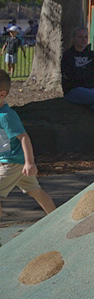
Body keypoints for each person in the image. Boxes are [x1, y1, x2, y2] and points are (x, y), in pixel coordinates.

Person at [0, 70, 57, 216]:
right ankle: (56, 217)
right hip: (13, 162)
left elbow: (24, 137)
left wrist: (29, 162)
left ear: (1, 95)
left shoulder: (7, 116)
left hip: (11, 163)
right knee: (36, 191)